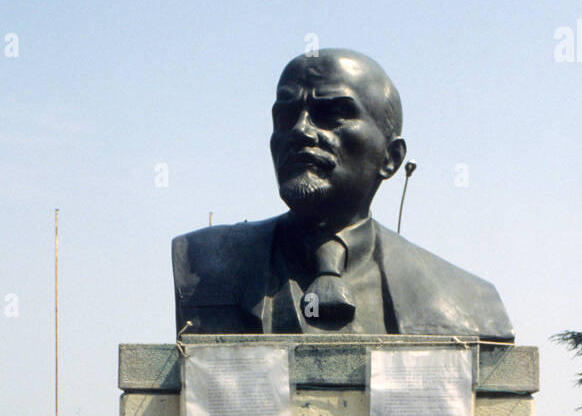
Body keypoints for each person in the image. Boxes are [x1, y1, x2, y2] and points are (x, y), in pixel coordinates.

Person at [172, 48, 513, 339]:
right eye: (286, 117)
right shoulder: (202, 265)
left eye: (331, 115)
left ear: (390, 159)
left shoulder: (469, 303)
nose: (300, 131)